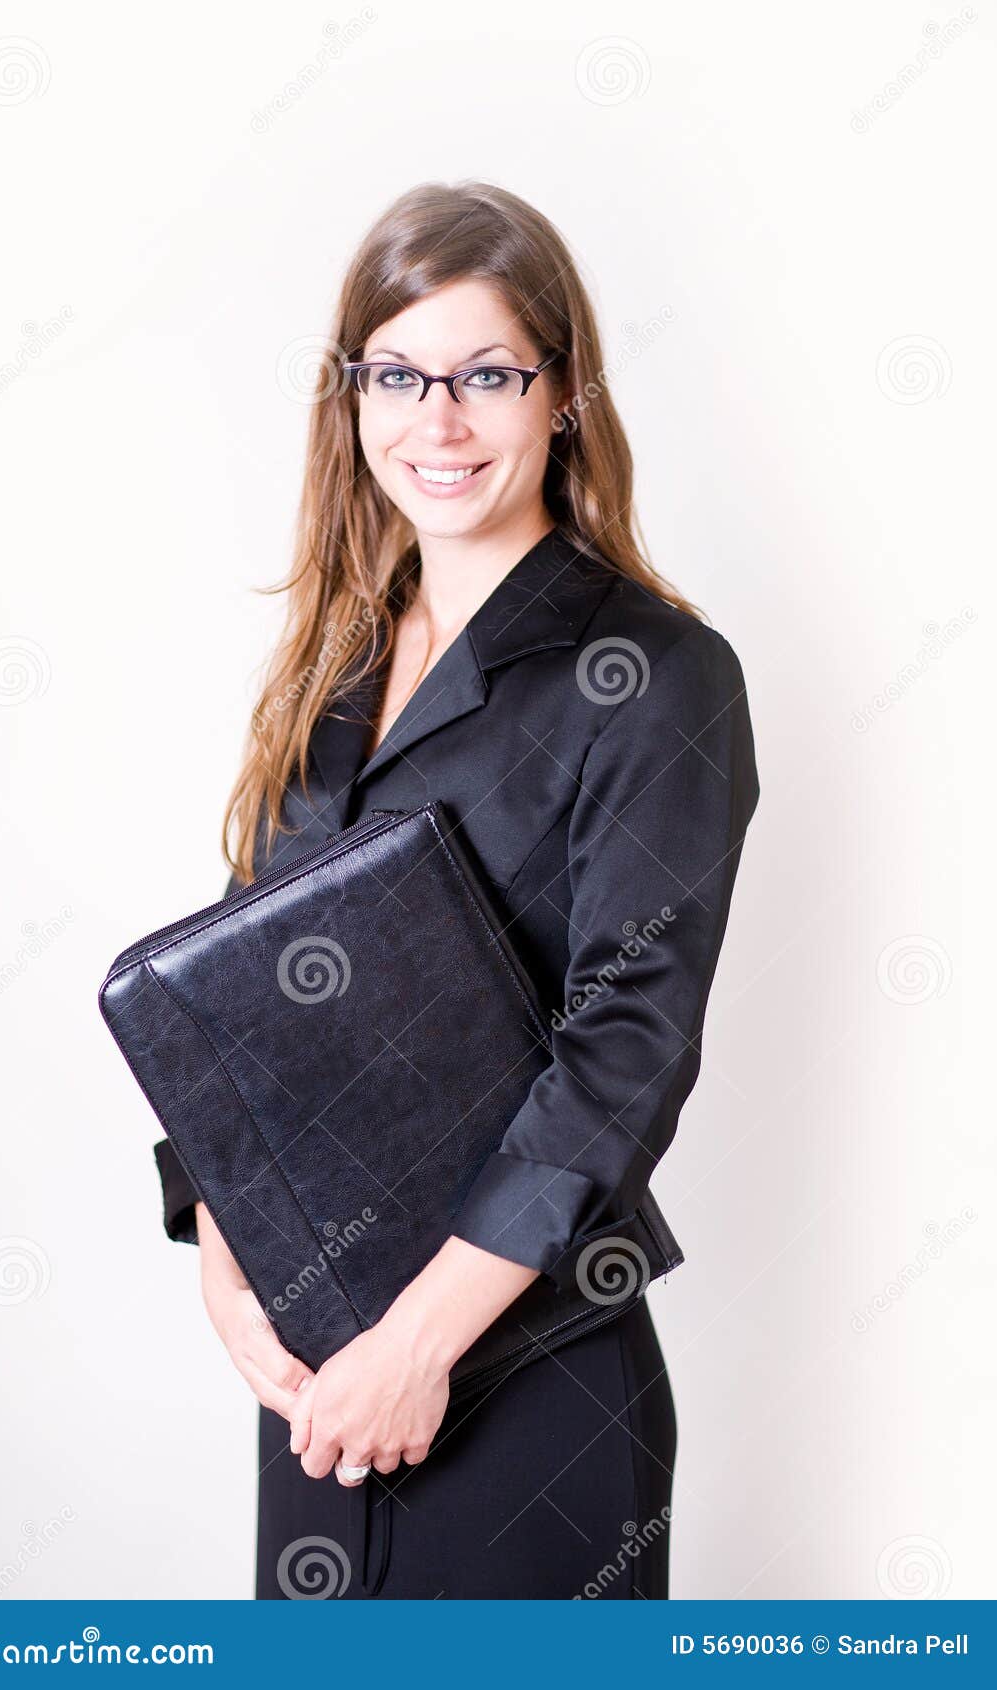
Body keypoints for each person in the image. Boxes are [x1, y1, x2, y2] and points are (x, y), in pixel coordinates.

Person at [151, 179, 760, 1599]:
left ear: (561, 397)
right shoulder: (331, 669)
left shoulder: (658, 678)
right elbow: (243, 994)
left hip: (523, 1381)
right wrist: (222, 1250)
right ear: (350, 397)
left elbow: (626, 1052)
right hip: (320, 1386)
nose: (439, 419)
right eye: (399, 375)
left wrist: (417, 1347)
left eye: (487, 373)